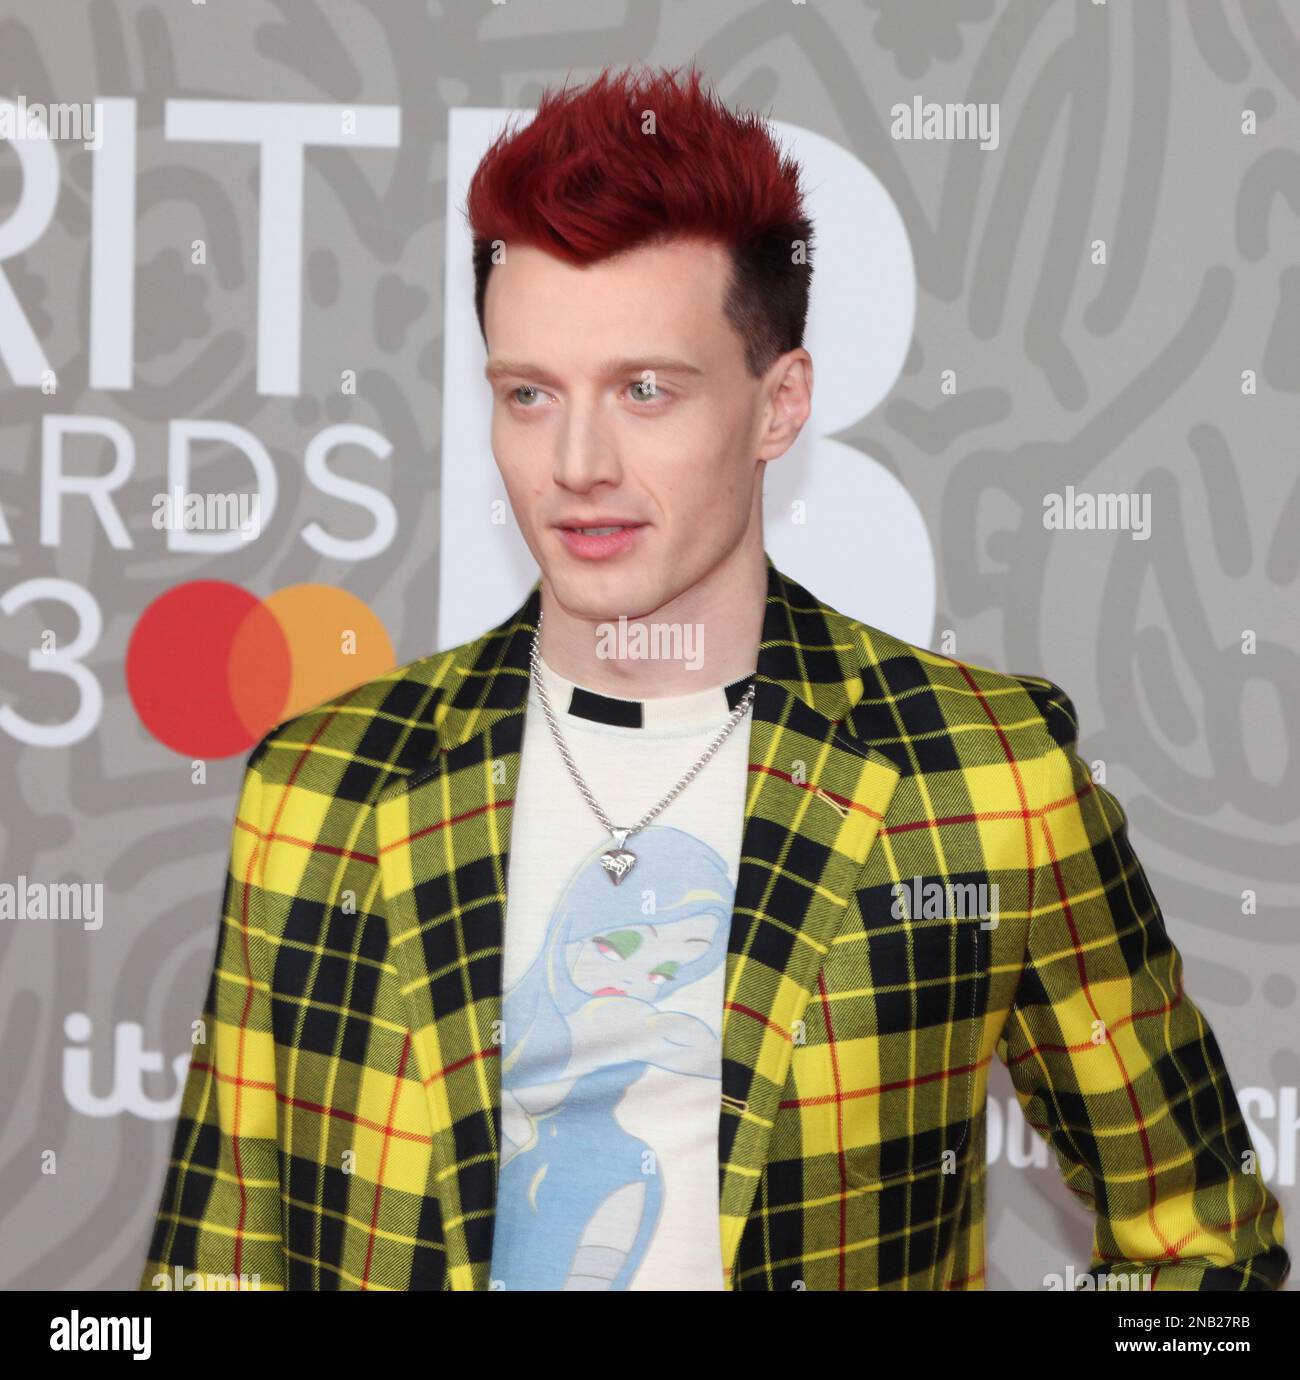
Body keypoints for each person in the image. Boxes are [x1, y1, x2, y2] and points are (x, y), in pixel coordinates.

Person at [140, 64, 1288, 1292]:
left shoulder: (984, 777)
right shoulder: (321, 788)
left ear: (777, 402)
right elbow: (213, 1274)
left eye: (645, 390)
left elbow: (1203, 1241)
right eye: (529, 394)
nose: (575, 463)